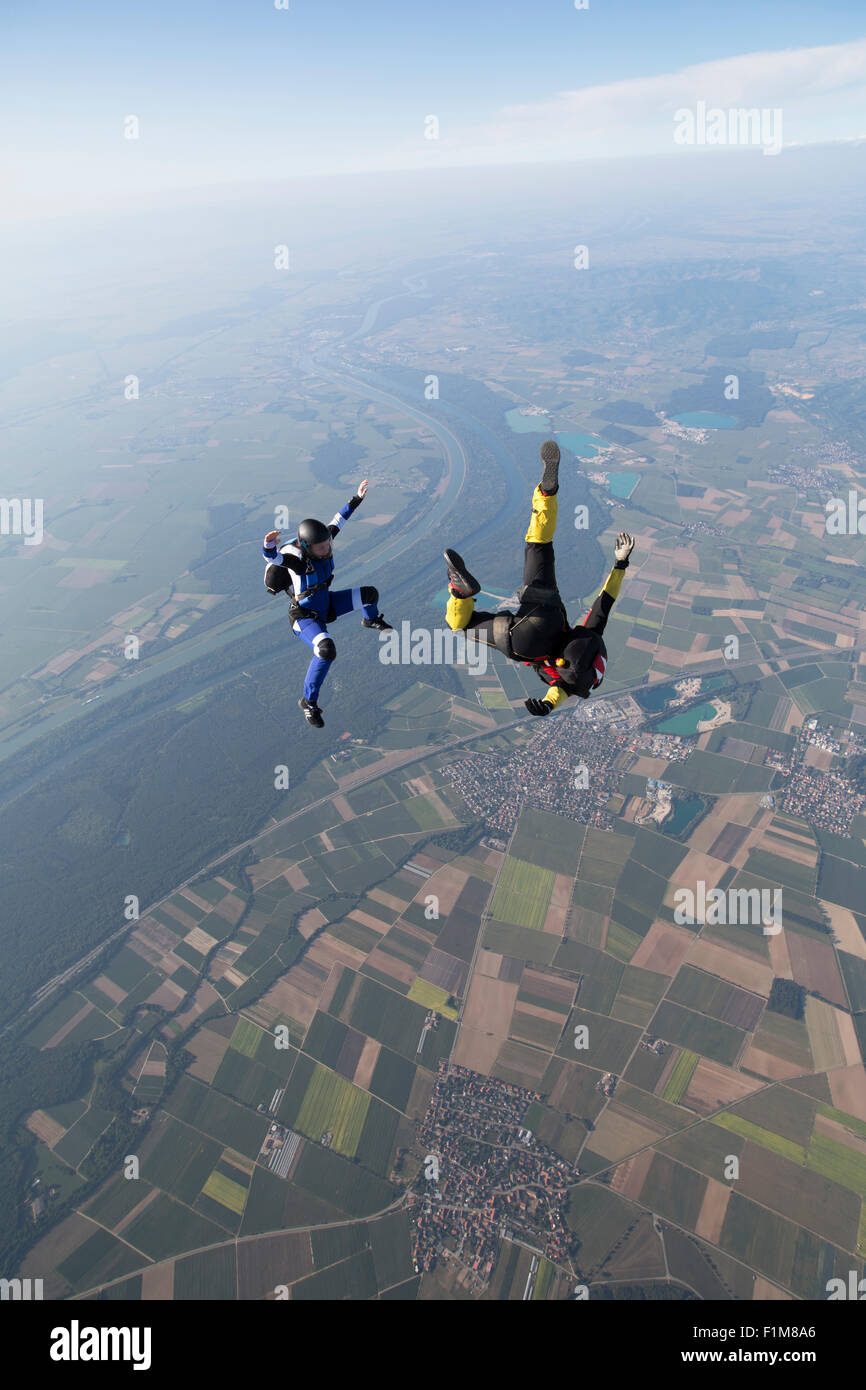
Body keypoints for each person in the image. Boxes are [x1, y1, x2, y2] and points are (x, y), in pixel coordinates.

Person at [442, 441, 635, 715]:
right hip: (526, 643)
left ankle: (546, 493)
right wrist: (546, 705)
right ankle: (460, 592)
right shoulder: (576, 683)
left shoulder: (593, 634)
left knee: (539, 543)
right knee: (459, 626)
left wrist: (621, 563)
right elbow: (559, 692)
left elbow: (605, 601)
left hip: (549, 611)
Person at [262, 478, 392, 728]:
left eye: (327, 546)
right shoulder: (298, 562)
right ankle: (308, 703)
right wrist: (268, 545)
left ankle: (371, 620)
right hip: (304, 616)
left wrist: (357, 498)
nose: (327, 551)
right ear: (307, 547)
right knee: (326, 650)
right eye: (321, 549)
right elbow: (275, 558)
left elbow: (338, 520)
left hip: (326, 605)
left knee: (369, 595)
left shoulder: (324, 543)